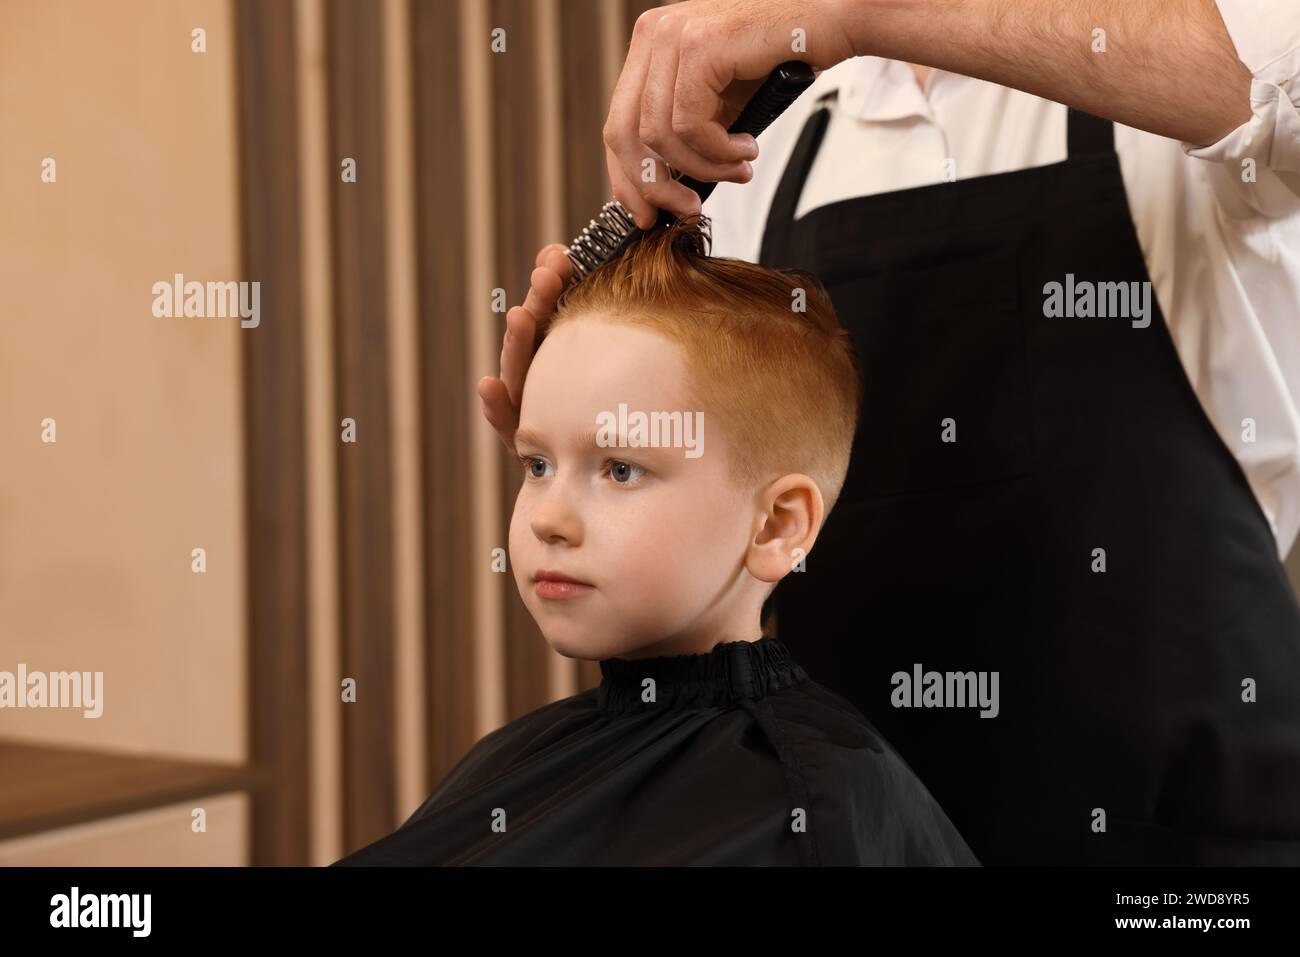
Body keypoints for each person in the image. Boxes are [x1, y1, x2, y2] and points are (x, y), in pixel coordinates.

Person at [483, 2, 1300, 864]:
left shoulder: (1180, 53)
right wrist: (583, 418)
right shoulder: (773, 135)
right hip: (854, 829)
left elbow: (1273, 75)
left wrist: (853, 13)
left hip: (1185, 848)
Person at [335, 218, 977, 865]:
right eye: (536, 464)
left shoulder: (809, 814)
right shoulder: (523, 758)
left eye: (620, 468)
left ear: (778, 524)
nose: (548, 518)